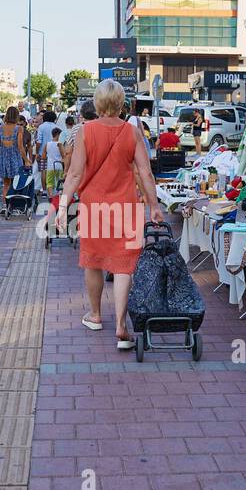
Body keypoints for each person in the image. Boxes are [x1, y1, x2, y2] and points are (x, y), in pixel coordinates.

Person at [58, 79, 163, 349]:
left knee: (93, 261)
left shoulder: (85, 131)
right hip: (126, 207)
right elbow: (144, 172)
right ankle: (121, 324)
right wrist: (154, 205)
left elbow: (76, 173)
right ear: (121, 103)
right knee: (124, 265)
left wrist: (62, 205)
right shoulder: (132, 132)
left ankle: (95, 315)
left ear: (97, 102)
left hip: (93, 206)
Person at [0, 106, 29, 204]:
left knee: (6, 184)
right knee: (16, 183)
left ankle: (5, 206)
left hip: (4, 158)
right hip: (15, 158)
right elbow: (20, 146)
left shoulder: (0, 128)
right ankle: (14, 205)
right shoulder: (19, 128)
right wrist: (26, 160)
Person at [42, 127, 64, 195]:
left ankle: (51, 196)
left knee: (49, 182)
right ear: (58, 135)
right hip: (59, 166)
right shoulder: (61, 144)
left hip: (50, 166)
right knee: (60, 182)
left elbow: (43, 157)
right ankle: (59, 195)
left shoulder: (47, 144)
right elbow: (63, 155)